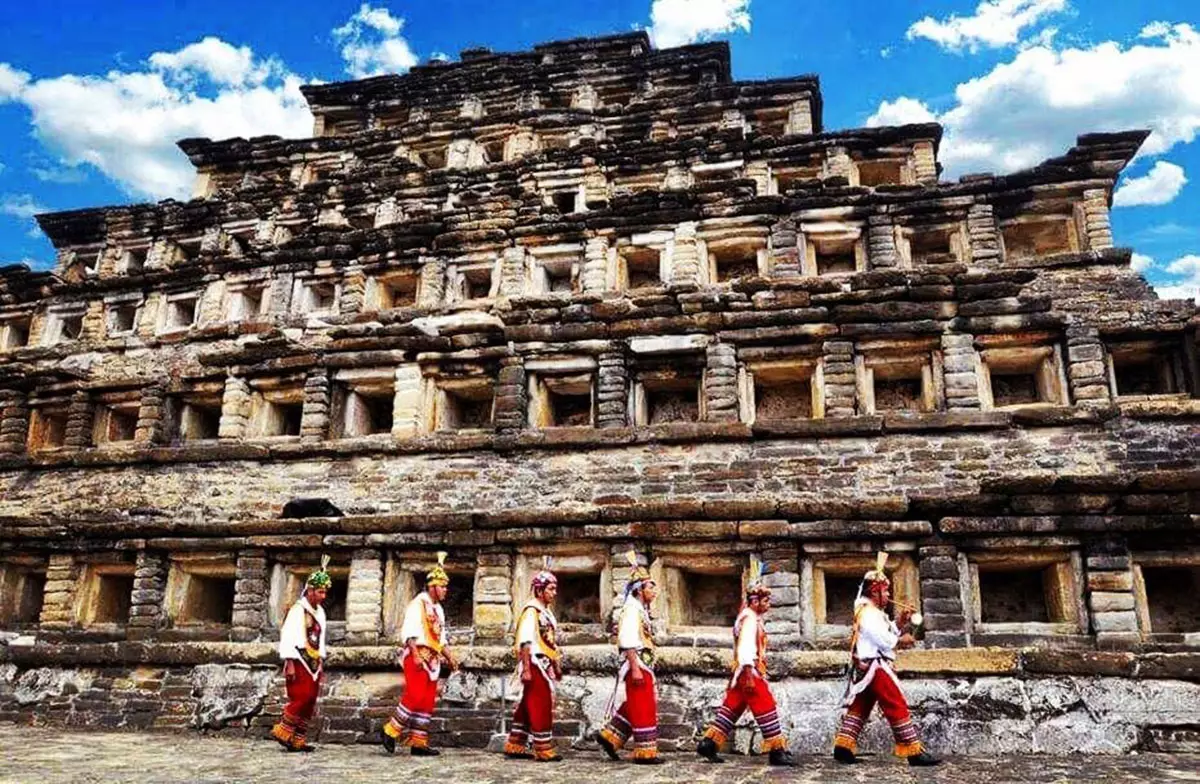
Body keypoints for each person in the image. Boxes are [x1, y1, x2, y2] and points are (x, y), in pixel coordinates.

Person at [833, 552, 940, 767]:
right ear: (875, 591)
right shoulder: (868, 613)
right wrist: (901, 640)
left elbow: (885, 630)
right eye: (885, 590)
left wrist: (899, 623)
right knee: (895, 702)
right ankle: (913, 750)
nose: (888, 594)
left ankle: (843, 746)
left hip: (869, 664)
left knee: (861, 705)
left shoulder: (871, 611)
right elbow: (882, 639)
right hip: (875, 666)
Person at [697, 556, 797, 767]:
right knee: (766, 705)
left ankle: (709, 743)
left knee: (732, 707)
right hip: (749, 670)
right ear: (754, 602)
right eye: (765, 601)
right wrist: (750, 673)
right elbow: (745, 648)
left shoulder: (747, 617)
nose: (768, 604)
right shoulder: (750, 620)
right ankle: (777, 751)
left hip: (744, 670)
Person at [381, 552, 457, 756]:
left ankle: (418, 742)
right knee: (414, 695)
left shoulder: (438, 610)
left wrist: (450, 657)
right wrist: (414, 653)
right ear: (432, 587)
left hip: (432, 660)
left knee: (426, 700)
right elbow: (410, 631)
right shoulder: (417, 604)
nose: (445, 590)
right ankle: (390, 730)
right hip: (417, 655)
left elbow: (441, 639)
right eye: (442, 586)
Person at [597, 550, 663, 765]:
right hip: (637, 664)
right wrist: (635, 667)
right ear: (639, 590)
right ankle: (645, 752)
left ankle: (611, 736)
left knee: (638, 702)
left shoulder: (639, 610)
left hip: (643, 663)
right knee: (643, 706)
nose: (654, 590)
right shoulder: (631, 611)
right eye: (650, 586)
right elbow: (627, 640)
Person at [271, 555, 331, 753]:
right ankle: (284, 731)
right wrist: (288, 662)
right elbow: (288, 635)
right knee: (301, 696)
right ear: (310, 590)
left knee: (311, 700)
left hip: (313, 662)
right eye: (320, 592)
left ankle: (298, 739)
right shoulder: (298, 610)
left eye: (325, 592)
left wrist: (320, 659)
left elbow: (320, 637)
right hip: (298, 660)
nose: (323, 596)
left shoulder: (320, 612)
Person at [503, 564, 563, 762]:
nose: (554, 593)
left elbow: (550, 641)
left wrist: (555, 664)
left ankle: (515, 743)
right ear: (539, 590)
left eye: (555, 588)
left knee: (527, 705)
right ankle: (543, 747)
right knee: (541, 703)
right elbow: (526, 641)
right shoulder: (531, 611)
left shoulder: (546, 612)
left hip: (545, 663)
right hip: (535, 663)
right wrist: (527, 669)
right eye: (550, 589)